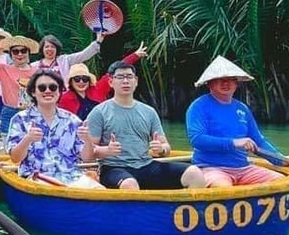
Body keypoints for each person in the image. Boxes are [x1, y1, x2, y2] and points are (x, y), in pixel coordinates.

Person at [186, 55, 289, 187]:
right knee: (223, 187)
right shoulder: (199, 106)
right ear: (209, 83)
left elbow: (258, 142)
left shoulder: (242, 109)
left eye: (230, 79)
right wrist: (234, 143)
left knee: (281, 182)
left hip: (243, 168)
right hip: (211, 168)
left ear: (236, 83)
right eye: (220, 80)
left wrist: (281, 159)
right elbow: (197, 139)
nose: (226, 83)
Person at [86, 61, 207, 190]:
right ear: (111, 82)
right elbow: (88, 153)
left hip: (146, 165)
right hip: (114, 168)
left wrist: (161, 149)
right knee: (129, 184)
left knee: (195, 174)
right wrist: (107, 150)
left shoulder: (149, 112)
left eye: (129, 76)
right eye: (120, 77)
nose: (125, 81)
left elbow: (166, 147)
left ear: (136, 81)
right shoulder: (99, 112)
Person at [6, 71, 103, 189]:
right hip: (36, 178)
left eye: (53, 87)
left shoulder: (73, 120)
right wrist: (28, 139)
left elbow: (87, 158)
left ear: (59, 91)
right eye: (42, 88)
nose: (48, 91)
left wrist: (87, 139)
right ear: (33, 92)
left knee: (99, 190)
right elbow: (15, 158)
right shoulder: (20, 119)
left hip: (72, 176)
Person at [0, 25, 39, 141]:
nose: (19, 54)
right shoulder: (4, 69)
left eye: (23, 51)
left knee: (32, 143)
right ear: (11, 54)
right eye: (15, 51)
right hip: (10, 111)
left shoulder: (37, 72)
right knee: (7, 142)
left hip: (32, 112)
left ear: (28, 53)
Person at [60, 43, 148, 120]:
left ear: (89, 80)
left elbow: (117, 69)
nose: (81, 82)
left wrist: (135, 55)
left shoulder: (98, 88)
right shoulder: (64, 98)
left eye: (85, 79)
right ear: (71, 81)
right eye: (77, 79)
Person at [33, 33, 105, 81]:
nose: (50, 49)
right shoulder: (34, 66)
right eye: (47, 47)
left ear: (57, 49)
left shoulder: (65, 60)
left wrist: (98, 41)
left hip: (64, 96)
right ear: (42, 49)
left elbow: (83, 55)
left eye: (53, 47)